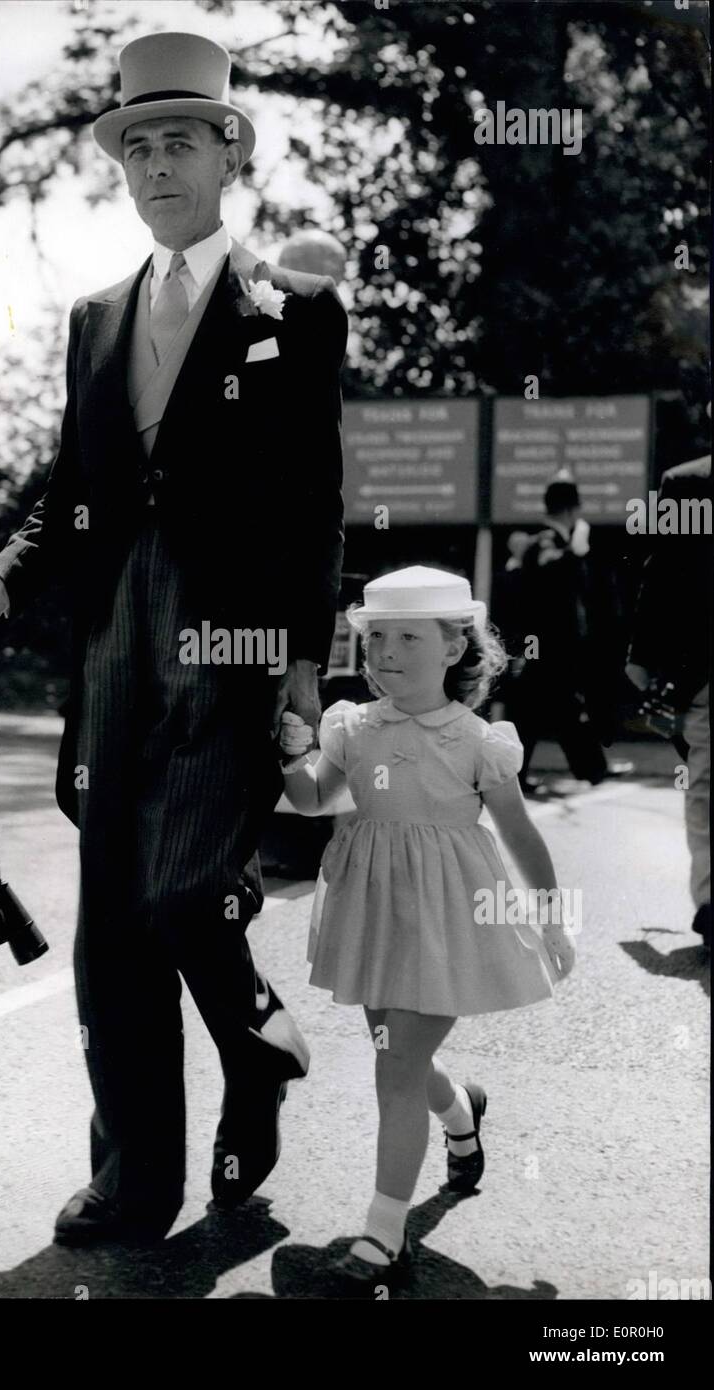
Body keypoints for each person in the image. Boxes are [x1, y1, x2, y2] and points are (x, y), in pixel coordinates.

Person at [0, 31, 347, 1244]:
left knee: (182, 889)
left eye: (182, 140)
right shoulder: (95, 317)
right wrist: (2, 580)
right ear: (121, 168)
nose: (158, 163)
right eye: (138, 146)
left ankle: (255, 1040)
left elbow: (315, 501)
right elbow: (71, 490)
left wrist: (305, 671)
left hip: (233, 637)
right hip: (116, 635)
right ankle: (133, 1178)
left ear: (229, 153)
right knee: (115, 908)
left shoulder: (295, 308)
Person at [278, 566, 575, 1289]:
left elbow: (522, 838)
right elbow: (316, 799)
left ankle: (384, 1237)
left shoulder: (478, 741)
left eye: (408, 636)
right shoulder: (352, 727)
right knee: (398, 1054)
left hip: (448, 919)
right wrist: (290, 753)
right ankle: (461, 1113)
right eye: (376, 636)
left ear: (453, 647)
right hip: (372, 911)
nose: (386, 651)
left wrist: (550, 920)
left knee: (396, 1064)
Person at [626, 448, 712, 948]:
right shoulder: (684, 481)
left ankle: (711, 903)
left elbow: (663, 569)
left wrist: (641, 654)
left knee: (705, 790)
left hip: (703, 667)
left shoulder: (687, 481)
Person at [505, 476, 628, 792]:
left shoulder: (549, 542)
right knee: (547, 713)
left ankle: (589, 770)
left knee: (559, 711)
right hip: (548, 647)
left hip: (553, 648)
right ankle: (588, 771)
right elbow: (552, 572)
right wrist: (576, 550)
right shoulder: (546, 542)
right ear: (573, 509)